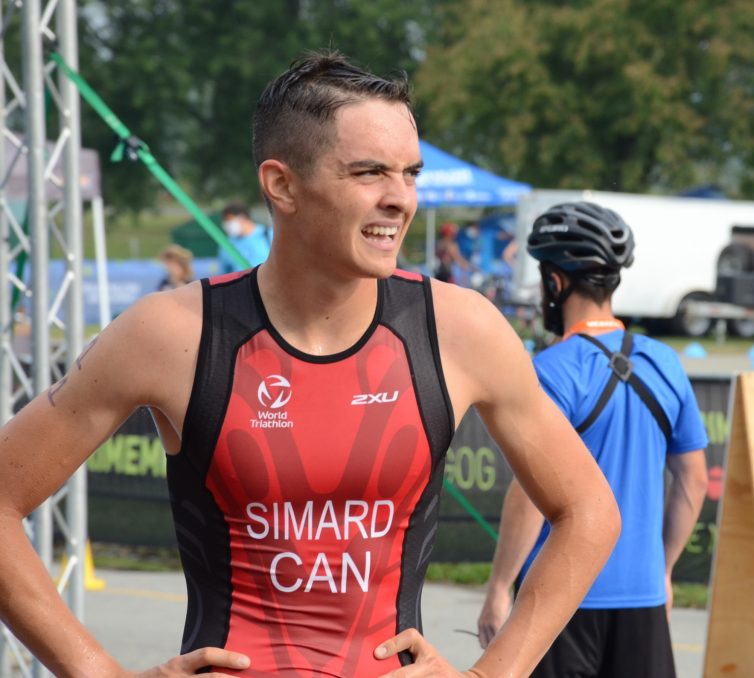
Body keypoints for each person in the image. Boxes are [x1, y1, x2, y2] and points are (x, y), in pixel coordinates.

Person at [0, 51, 620, 677]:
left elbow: (590, 512)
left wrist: (492, 673)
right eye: (369, 172)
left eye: (410, 173)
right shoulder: (172, 334)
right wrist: (97, 672)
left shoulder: (460, 328)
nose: (400, 199)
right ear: (282, 185)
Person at [477, 202, 709, 678]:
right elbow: (694, 480)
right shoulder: (665, 363)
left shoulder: (548, 370)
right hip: (643, 599)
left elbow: (528, 494)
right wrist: (661, 570)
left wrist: (500, 588)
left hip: (560, 598)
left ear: (555, 283)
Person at [218, 202, 272, 273]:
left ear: (242, 218)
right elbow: (223, 274)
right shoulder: (227, 245)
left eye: (229, 220)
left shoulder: (270, 234)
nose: (227, 225)